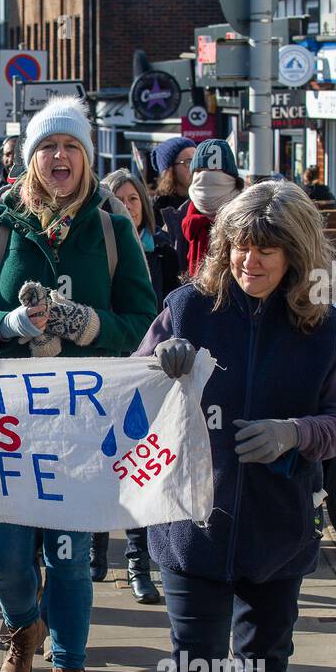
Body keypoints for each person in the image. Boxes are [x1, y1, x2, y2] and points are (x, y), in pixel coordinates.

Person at [133, 180, 336, 672]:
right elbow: (127, 389)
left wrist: (296, 433)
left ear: (295, 256)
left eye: (266, 250)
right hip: (192, 522)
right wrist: (159, 366)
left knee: (263, 663)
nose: (249, 261)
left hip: (276, 527)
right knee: (196, 664)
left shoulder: (323, 328)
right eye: (239, 246)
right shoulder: (187, 308)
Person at [0, 95, 158, 672]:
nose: (59, 157)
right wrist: (7, 324)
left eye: (71, 147)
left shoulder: (112, 224)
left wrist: (90, 325)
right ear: (30, 158)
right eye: (48, 147)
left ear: (87, 157)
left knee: (68, 560)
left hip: (81, 424)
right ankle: (21, 626)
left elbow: (143, 321)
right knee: (3, 552)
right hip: (7, 420)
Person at [89, 167, 181, 601]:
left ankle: (137, 563)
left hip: (150, 373)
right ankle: (92, 547)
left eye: (133, 199)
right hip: (105, 370)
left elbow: (172, 309)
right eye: (117, 200)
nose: (127, 206)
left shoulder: (162, 251)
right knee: (95, 462)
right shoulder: (100, 248)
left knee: (138, 466)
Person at [181, 139, 246, 278]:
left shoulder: (250, 216)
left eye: (215, 172)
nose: (206, 177)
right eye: (201, 171)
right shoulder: (177, 219)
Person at [151, 136, 196, 222]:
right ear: (170, 170)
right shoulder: (157, 209)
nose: (195, 167)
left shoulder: (207, 200)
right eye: (189, 162)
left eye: (196, 160)